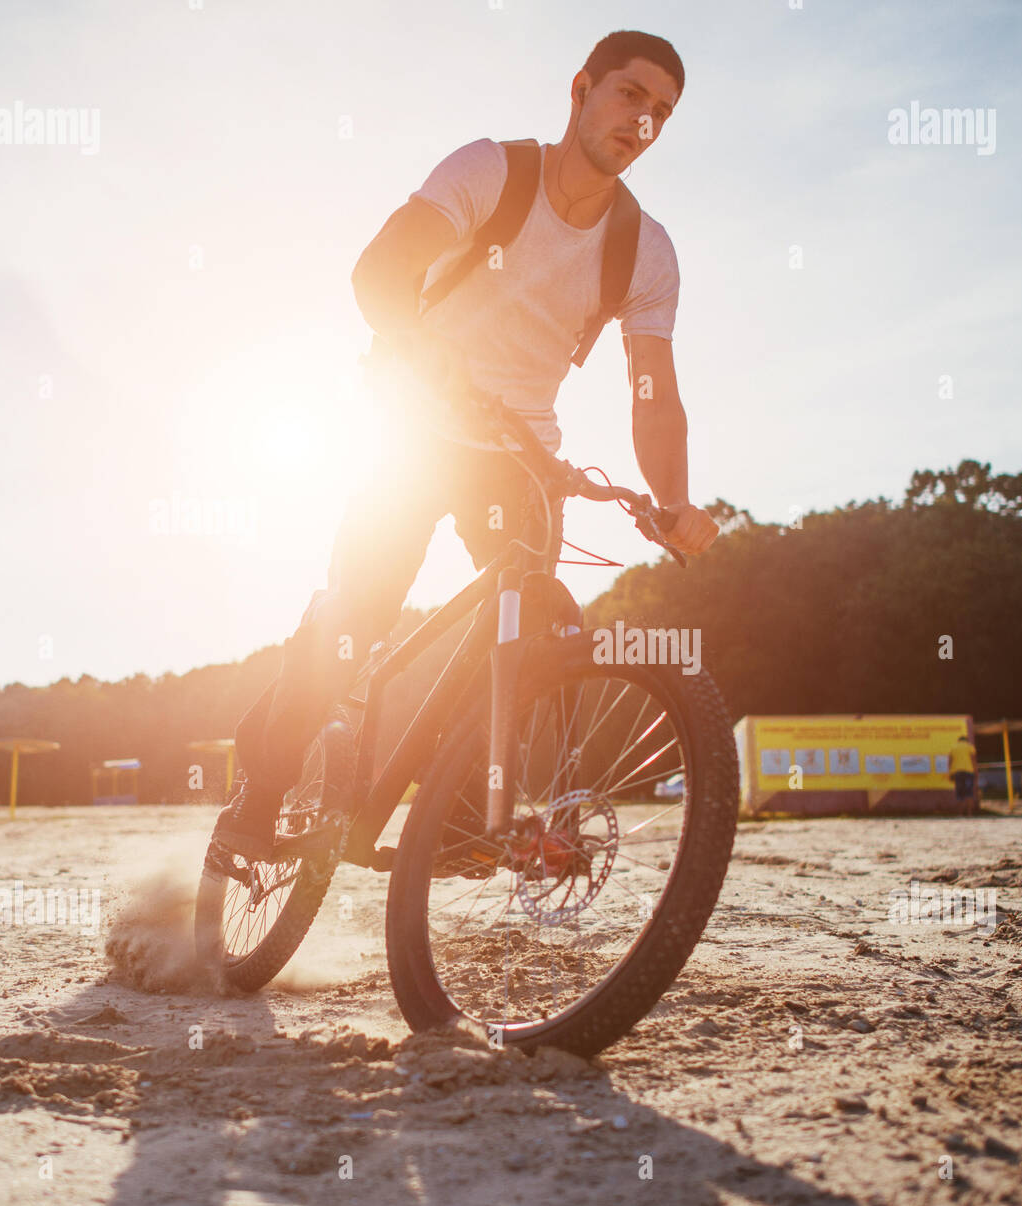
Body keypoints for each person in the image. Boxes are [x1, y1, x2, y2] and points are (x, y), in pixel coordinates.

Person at [214, 30, 719, 859]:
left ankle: (454, 818)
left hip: (516, 451)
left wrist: (670, 502)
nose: (643, 123)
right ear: (581, 89)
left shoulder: (645, 250)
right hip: (414, 417)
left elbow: (653, 394)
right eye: (630, 96)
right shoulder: (494, 170)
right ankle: (263, 786)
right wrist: (427, 357)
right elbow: (378, 272)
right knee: (356, 616)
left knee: (532, 630)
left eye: (662, 113)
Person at [949, 735, 977, 813]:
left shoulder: (953, 748)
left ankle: (960, 813)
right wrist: (976, 771)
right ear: (966, 741)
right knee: (969, 792)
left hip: (957, 772)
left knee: (959, 793)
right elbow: (973, 760)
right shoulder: (970, 747)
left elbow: (950, 762)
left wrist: (950, 773)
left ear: (958, 741)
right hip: (969, 772)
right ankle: (969, 813)